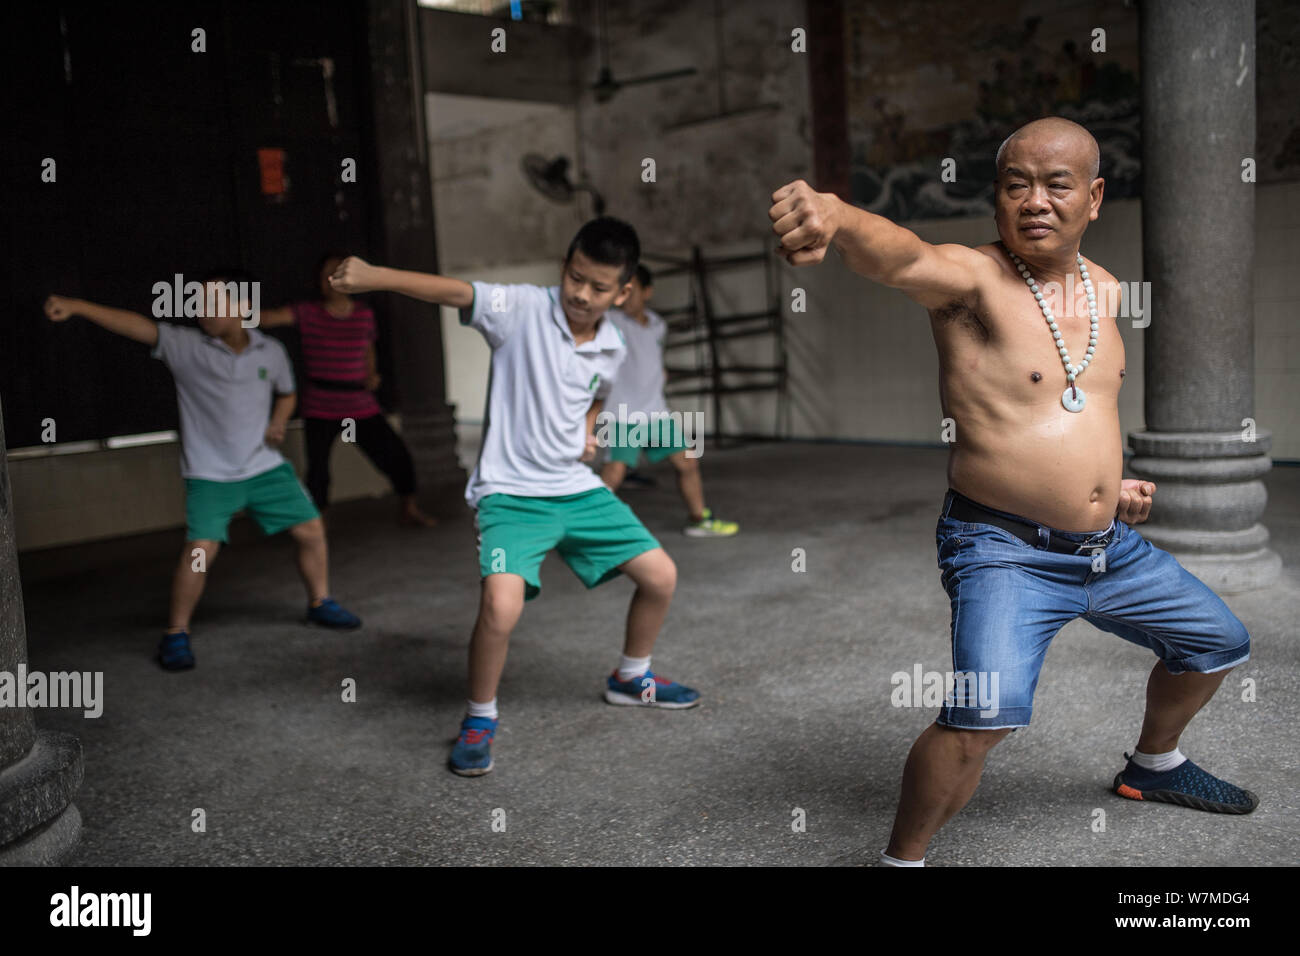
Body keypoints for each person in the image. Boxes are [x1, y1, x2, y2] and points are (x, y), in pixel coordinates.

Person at [769, 116, 1256, 867]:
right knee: (980, 717)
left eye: (1056, 185)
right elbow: (902, 256)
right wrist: (837, 215)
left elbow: (1086, 403)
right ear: (996, 200)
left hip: (1107, 546)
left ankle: (1153, 765)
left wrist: (1106, 482)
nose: (1034, 200)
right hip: (1004, 548)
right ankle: (903, 861)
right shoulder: (970, 280)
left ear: (1092, 198)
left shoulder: (1104, 289)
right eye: (1015, 185)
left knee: (1217, 642)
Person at [328, 217, 700, 777]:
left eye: (599, 288)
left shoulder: (614, 343)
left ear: (622, 293)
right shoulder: (520, 308)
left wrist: (588, 429)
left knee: (661, 575)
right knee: (501, 607)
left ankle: (631, 676)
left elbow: (595, 395)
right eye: (575, 277)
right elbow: (455, 290)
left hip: (575, 488)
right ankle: (479, 717)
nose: (581, 293)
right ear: (564, 266)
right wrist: (375, 276)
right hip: (511, 494)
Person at [43, 275, 361, 671]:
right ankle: (176, 633)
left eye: (213, 302)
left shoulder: (271, 350)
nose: (201, 311)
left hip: (264, 467)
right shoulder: (185, 346)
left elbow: (288, 392)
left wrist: (279, 421)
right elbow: (135, 325)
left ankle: (320, 603)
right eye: (197, 302)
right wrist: (78, 306)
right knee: (199, 554)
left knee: (312, 531)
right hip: (210, 474)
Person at [259, 254, 436, 528]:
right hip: (322, 405)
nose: (330, 282)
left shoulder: (364, 315)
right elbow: (269, 318)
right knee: (318, 469)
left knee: (396, 455)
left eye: (336, 275)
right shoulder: (307, 312)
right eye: (325, 277)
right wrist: (231, 313)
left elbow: (369, 352)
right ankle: (317, 522)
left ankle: (409, 508)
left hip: (359, 405)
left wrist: (372, 375)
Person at [599, 264, 739, 537]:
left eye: (632, 291)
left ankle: (700, 520)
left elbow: (651, 360)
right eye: (621, 291)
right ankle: (584, 528)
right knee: (614, 475)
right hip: (621, 416)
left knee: (688, 462)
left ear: (647, 292)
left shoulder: (657, 326)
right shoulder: (611, 322)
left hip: (656, 413)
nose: (625, 297)